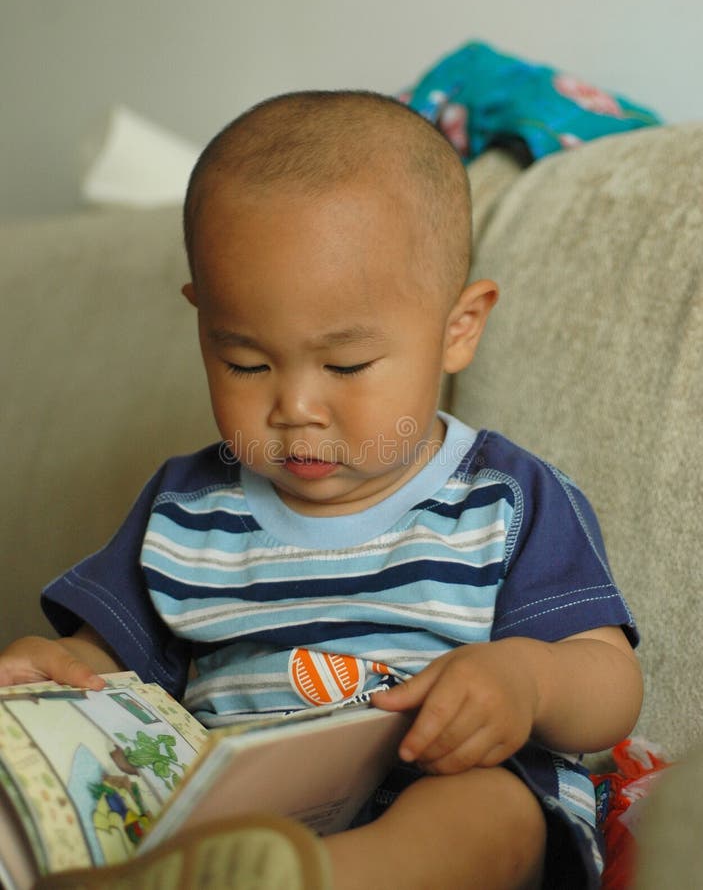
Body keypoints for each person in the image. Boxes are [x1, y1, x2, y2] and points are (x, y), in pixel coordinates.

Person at [0, 90, 642, 890]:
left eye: (343, 366)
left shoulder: (506, 500)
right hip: (232, 816)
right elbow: (110, 669)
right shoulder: (184, 510)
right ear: (202, 323)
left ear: (457, 329)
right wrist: (56, 663)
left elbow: (609, 683)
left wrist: (526, 679)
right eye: (245, 363)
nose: (295, 409)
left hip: (443, 786)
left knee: (491, 810)